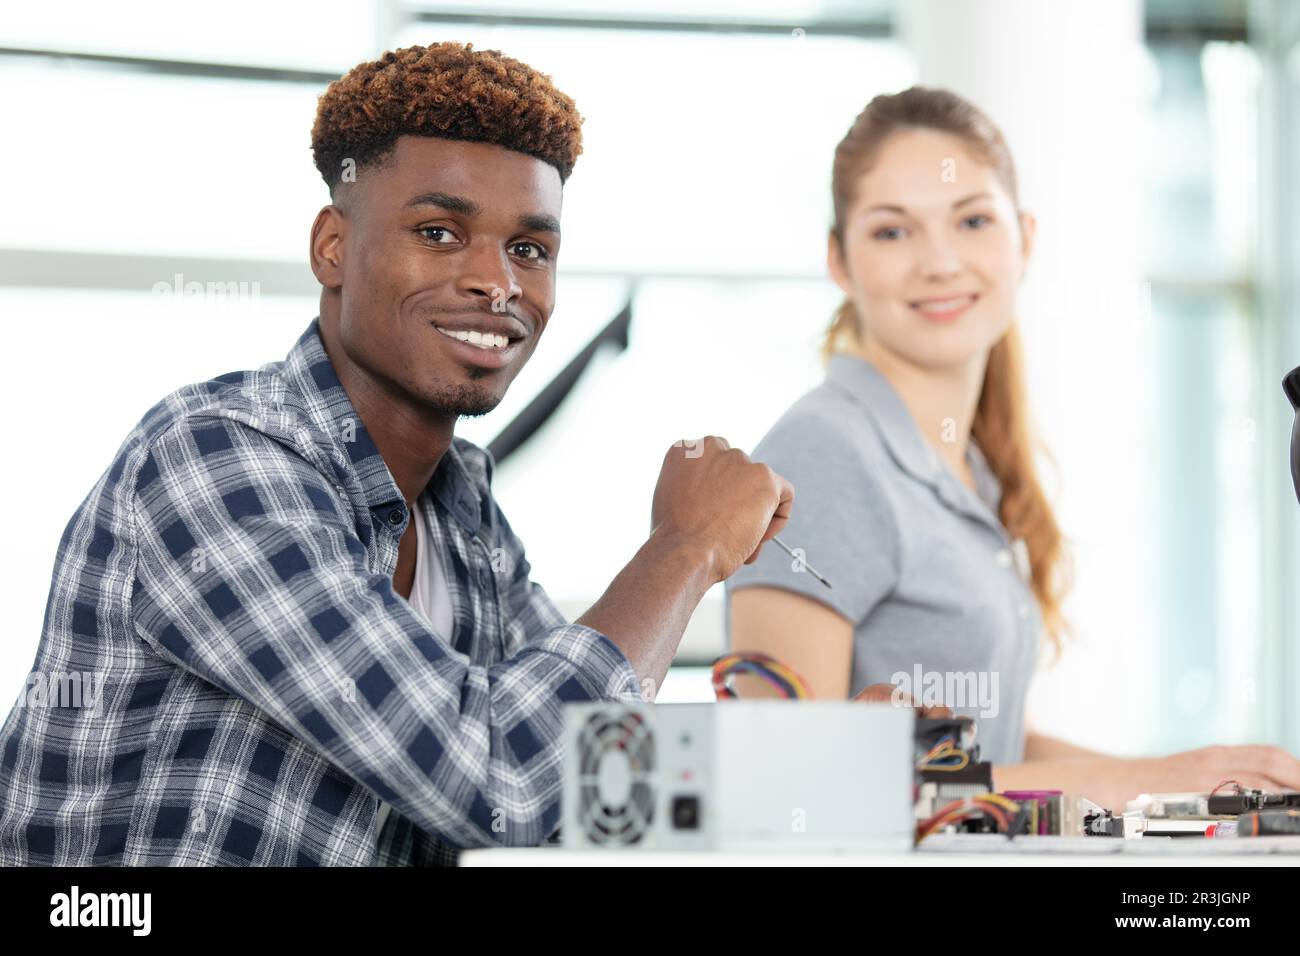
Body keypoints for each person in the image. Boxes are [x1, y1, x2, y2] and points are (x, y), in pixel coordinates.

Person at [0, 42, 792, 865]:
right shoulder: (217, 462)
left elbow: (585, 778)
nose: (497, 282)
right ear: (332, 248)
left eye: (529, 248)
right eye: (440, 232)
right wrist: (683, 546)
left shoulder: (462, 510)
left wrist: (865, 766)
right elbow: (497, 782)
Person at [725, 86, 1300, 811]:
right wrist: (1149, 781)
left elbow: (995, 752)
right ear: (839, 261)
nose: (939, 263)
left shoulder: (971, 467)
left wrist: (1194, 779)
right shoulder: (823, 453)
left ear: (1024, 239)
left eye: (972, 220)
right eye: (892, 232)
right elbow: (785, 788)